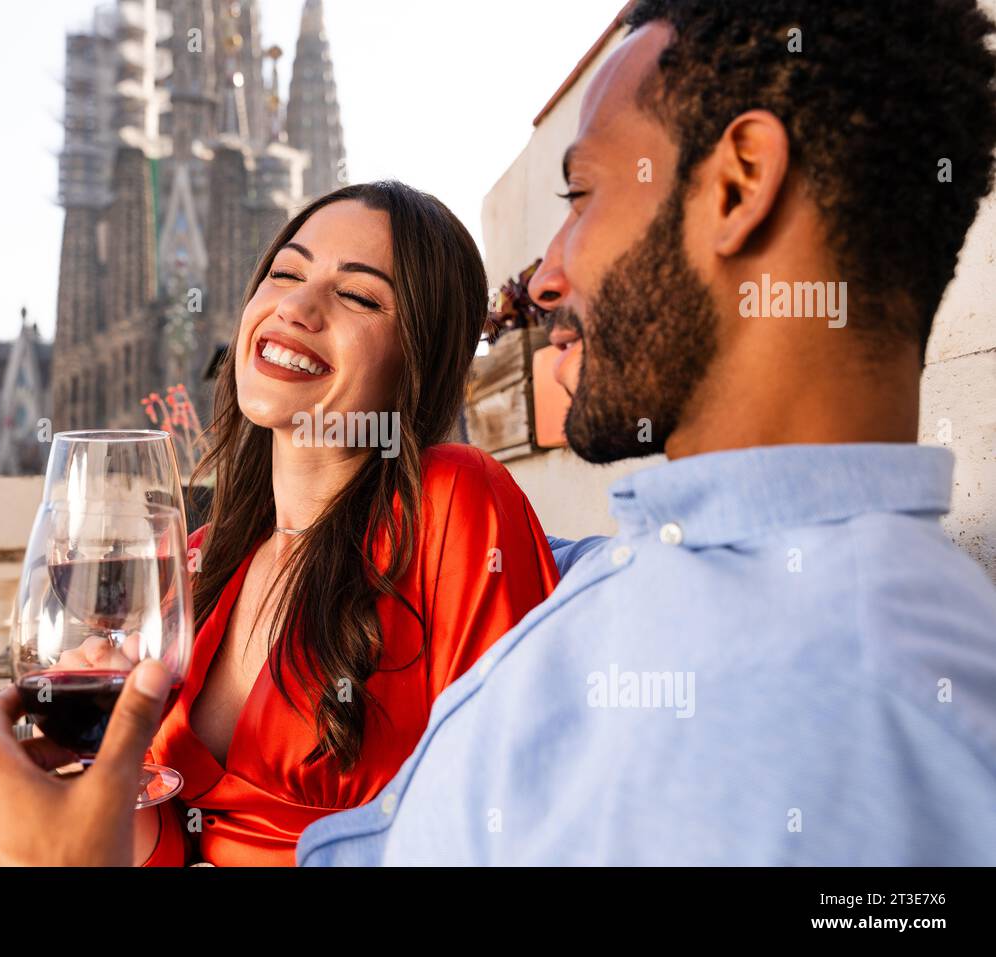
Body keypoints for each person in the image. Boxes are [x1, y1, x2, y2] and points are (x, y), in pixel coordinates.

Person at [295, 0, 996, 865]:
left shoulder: (854, 723)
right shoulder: (691, 572)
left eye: (581, 195)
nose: (546, 275)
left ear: (739, 186)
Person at [0, 182, 561, 866]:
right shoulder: (205, 562)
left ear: (418, 358)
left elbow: (521, 816)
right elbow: (174, 840)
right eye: (285, 272)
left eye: (357, 295)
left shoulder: (451, 500)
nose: (296, 306)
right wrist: (101, 774)